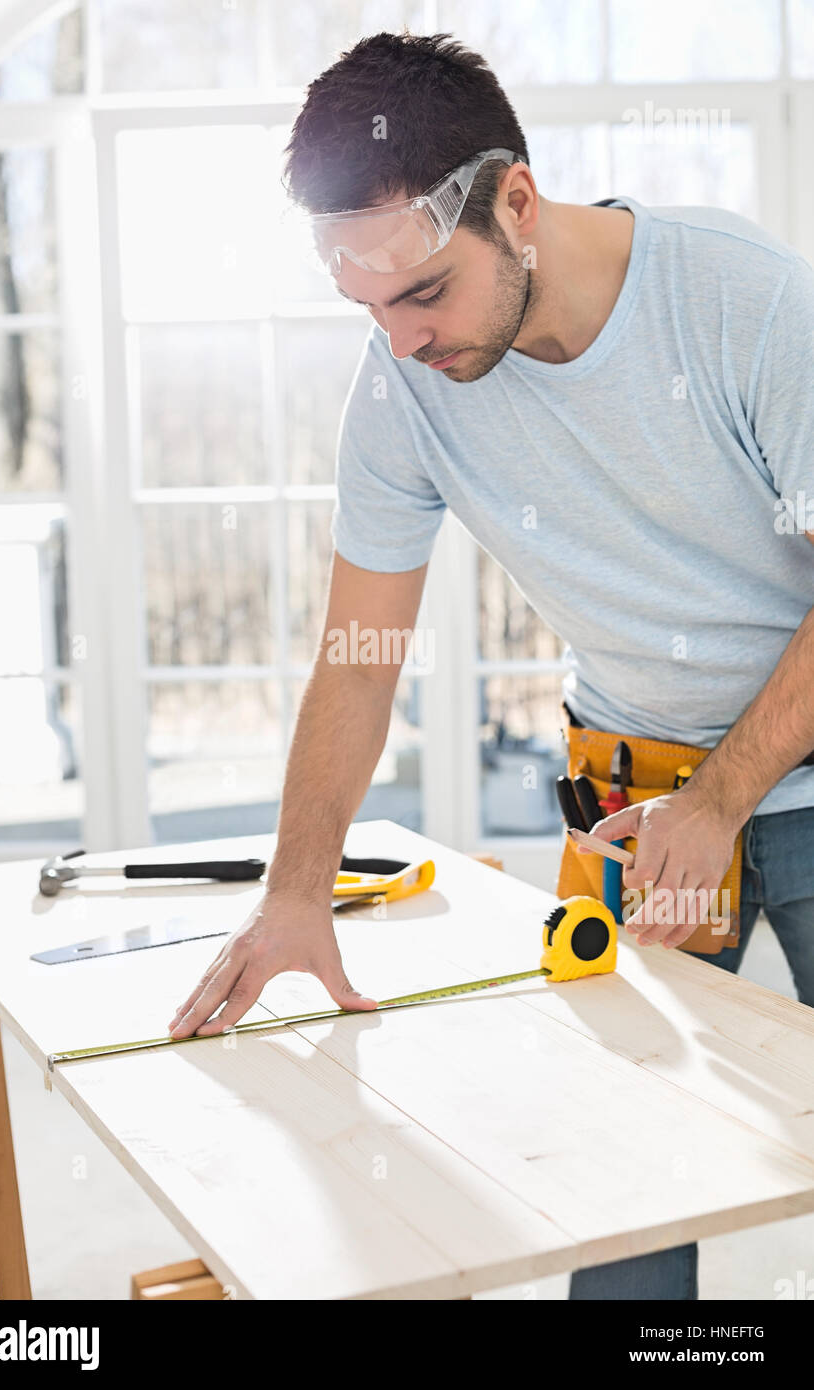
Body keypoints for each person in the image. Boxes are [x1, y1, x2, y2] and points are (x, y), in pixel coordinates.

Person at [169, 32, 814, 1300]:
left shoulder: (746, 301)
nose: (401, 344)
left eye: (421, 296)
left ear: (513, 201)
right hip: (631, 786)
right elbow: (357, 660)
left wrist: (723, 800)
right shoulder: (400, 383)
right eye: (366, 310)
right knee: (617, 1181)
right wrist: (295, 888)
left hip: (779, 770)